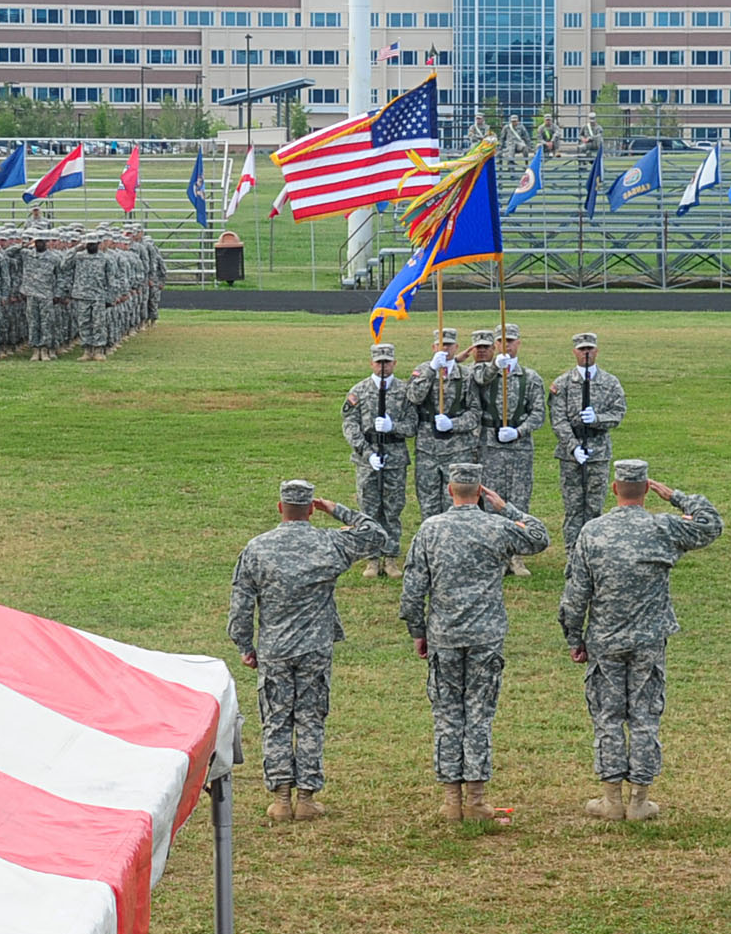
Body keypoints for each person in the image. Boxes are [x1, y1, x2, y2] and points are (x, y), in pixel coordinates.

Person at [559, 460, 724, 821]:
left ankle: (611, 799)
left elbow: (574, 596)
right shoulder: (662, 526)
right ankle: (639, 800)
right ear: (647, 490)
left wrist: (574, 638)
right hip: (649, 640)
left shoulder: (592, 532)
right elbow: (711, 524)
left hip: (605, 639)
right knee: (645, 717)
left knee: (608, 716)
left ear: (614, 489)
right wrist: (678, 496)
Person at [228, 479, 388, 822]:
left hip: (275, 648)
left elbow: (241, 607)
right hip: (315, 647)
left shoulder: (257, 548)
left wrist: (245, 645)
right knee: (311, 720)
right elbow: (376, 535)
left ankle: (281, 799)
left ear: (279, 507)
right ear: (312, 509)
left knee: (276, 720)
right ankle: (306, 797)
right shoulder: (329, 542)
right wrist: (335, 509)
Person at [399, 463, 550, 821]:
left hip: (444, 635)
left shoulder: (430, 529)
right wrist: (506, 508)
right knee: (479, 716)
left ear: (450, 490)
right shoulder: (496, 525)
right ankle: (477, 799)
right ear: (481, 491)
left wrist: (418, 632)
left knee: (448, 716)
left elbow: (412, 591)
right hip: (485, 635)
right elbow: (539, 538)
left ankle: (452, 800)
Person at [473, 323, 547, 574]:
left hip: (519, 448)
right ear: (495, 346)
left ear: (519, 343)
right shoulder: (485, 373)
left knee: (518, 499)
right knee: (491, 499)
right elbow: (478, 379)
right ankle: (496, 554)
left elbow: (538, 414)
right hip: (490, 446)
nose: (507, 346)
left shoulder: (530, 378)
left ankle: (516, 555)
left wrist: (519, 430)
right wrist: (495, 366)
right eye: (501, 341)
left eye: (511, 341)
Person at [341, 342, 416, 579]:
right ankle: (372, 559)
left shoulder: (404, 392)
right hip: (368, 458)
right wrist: (366, 452)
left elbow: (413, 425)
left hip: (394, 456)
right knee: (369, 507)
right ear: (371, 363)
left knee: (393, 508)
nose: (383, 366)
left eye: (387, 362)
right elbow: (350, 425)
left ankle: (391, 557)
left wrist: (395, 427)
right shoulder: (359, 391)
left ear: (394, 363)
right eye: (379, 362)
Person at [550, 332, 627, 550]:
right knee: (573, 505)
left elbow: (618, 413)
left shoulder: (610, 383)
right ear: (574, 351)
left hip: (598, 451)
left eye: (590, 349)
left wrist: (597, 419)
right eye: (582, 349)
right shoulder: (563, 383)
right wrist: (573, 447)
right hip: (570, 453)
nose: (586, 353)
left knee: (594, 504)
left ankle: (592, 549)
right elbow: (558, 420)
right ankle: (573, 550)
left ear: (597, 350)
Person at [405, 327, 481, 519]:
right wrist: (432, 370)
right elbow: (414, 397)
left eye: (449, 345)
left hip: (457, 448)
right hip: (427, 448)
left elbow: (474, 413)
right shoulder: (422, 371)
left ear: (456, 347)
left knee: (456, 502)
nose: (445, 349)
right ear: (433, 347)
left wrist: (453, 424)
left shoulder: (465, 376)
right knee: (428, 501)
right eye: (441, 345)